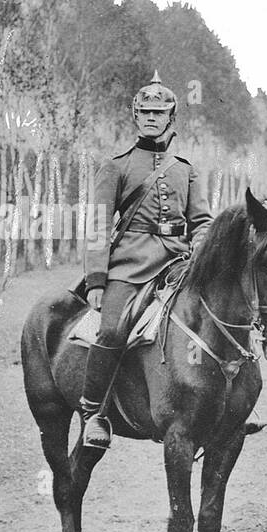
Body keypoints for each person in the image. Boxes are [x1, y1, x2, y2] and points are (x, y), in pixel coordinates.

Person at [78, 72, 214, 449]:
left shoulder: (185, 169)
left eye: (159, 113)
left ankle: (230, 407)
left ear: (172, 119)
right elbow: (97, 227)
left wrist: (199, 249)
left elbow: (202, 222)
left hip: (178, 263)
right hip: (131, 265)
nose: (151, 119)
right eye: (144, 113)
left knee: (215, 318)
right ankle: (94, 414)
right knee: (112, 331)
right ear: (135, 117)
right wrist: (96, 281)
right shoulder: (117, 167)